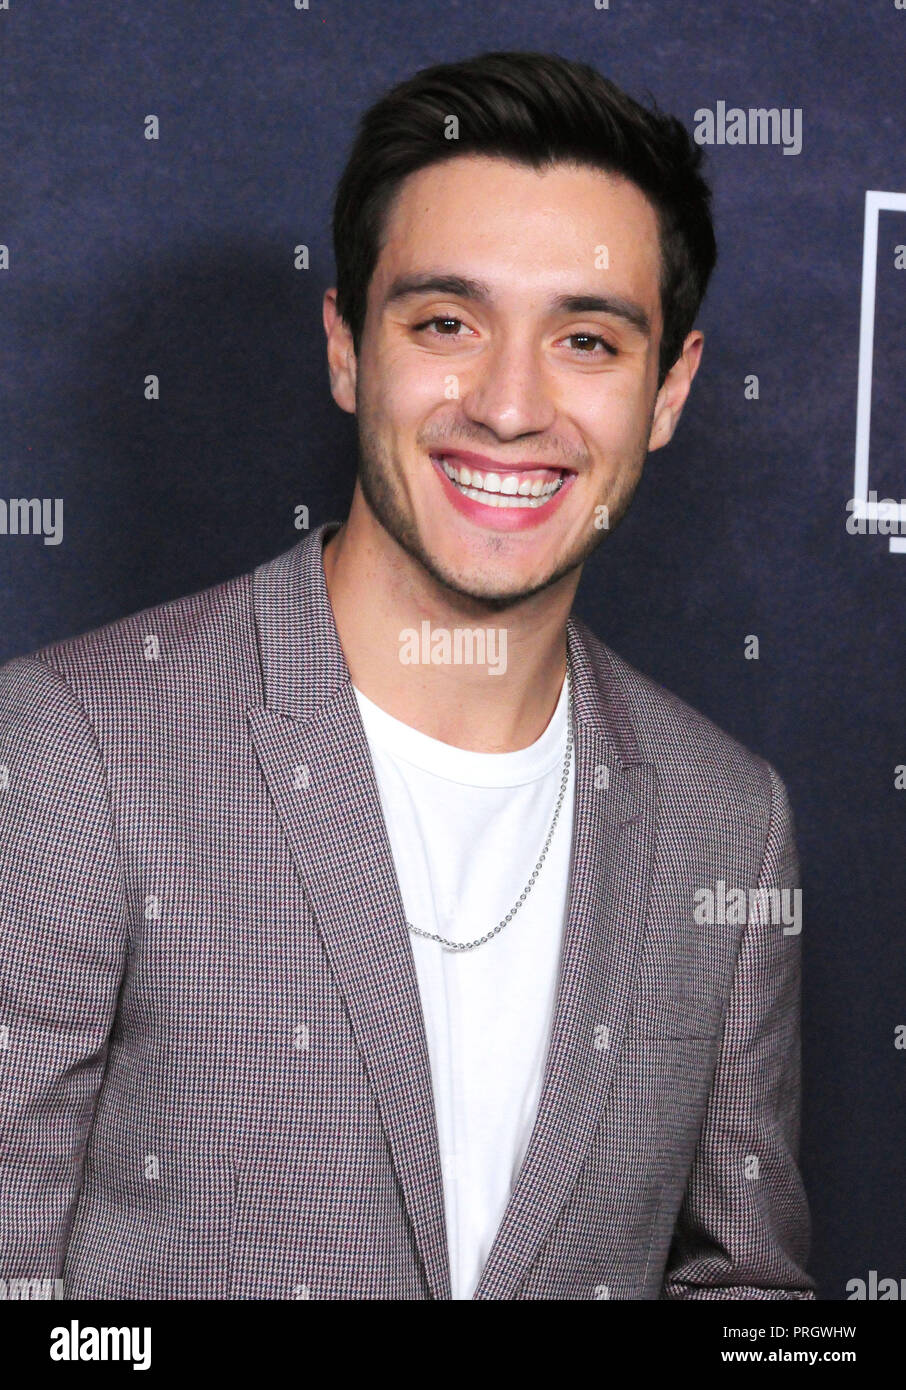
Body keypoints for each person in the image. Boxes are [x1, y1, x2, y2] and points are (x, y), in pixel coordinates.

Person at [0, 50, 815, 1300]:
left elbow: (744, 1294)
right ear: (345, 349)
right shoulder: (72, 748)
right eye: (447, 322)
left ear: (668, 392)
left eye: (588, 340)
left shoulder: (730, 823)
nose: (506, 404)